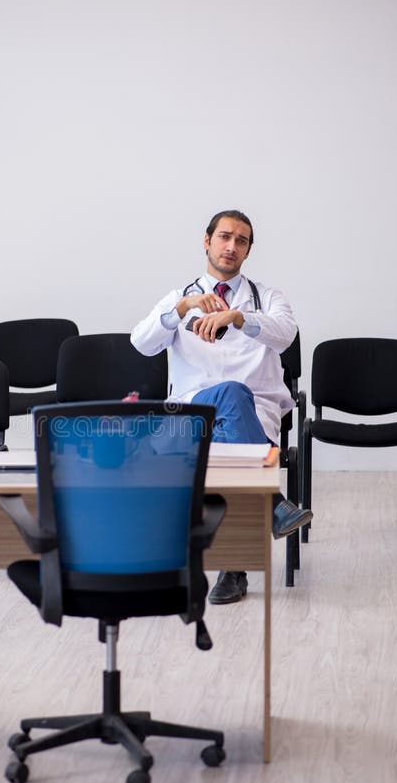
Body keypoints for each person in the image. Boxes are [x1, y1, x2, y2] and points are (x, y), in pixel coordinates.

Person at [131, 208, 312, 604]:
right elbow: (141, 342)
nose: (231, 246)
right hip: (192, 415)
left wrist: (239, 316)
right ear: (207, 241)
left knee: (232, 409)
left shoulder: (267, 298)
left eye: (241, 241)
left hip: (252, 413)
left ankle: (233, 568)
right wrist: (181, 310)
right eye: (225, 237)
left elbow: (285, 335)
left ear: (248, 251)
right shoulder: (180, 298)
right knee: (229, 398)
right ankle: (268, 508)